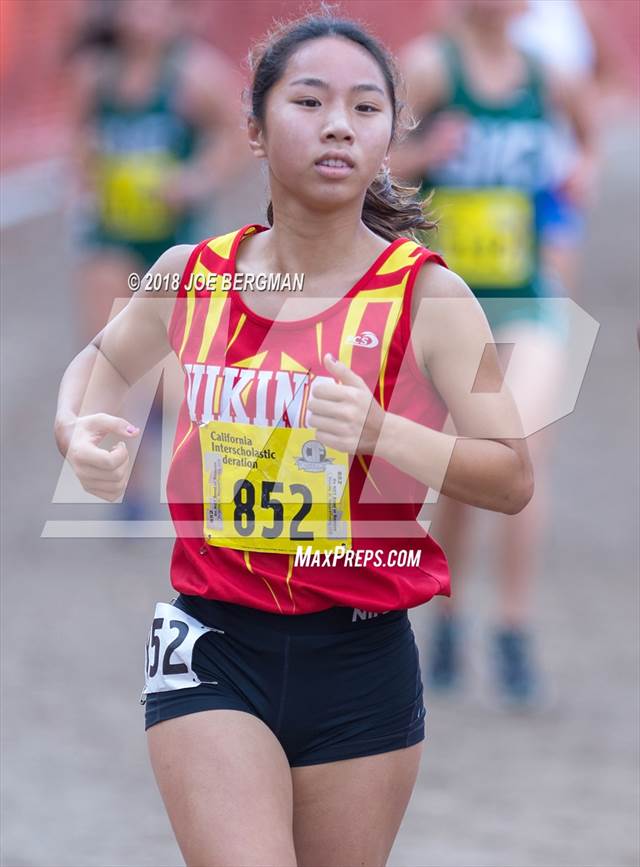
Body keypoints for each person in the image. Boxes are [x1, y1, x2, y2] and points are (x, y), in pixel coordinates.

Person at [54, 11, 533, 866]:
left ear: (390, 137)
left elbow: (510, 476)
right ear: (253, 127)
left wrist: (382, 431)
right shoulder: (189, 276)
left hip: (361, 656)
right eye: (309, 102)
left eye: (365, 108)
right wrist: (74, 426)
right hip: (212, 642)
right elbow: (100, 359)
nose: (339, 125)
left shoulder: (431, 299)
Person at [392, 0, 596, 707]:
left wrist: (572, 194)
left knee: (523, 452)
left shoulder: (547, 75)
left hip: (530, 297)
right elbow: (371, 166)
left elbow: (586, 143)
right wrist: (424, 156)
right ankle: (449, 617)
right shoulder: (430, 68)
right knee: (464, 466)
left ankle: (514, 628)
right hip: (450, 306)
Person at [66, 0, 246, 518]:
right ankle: (131, 486)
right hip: (111, 233)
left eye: (153, 9)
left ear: (175, 16)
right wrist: (85, 188)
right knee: (112, 351)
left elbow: (237, 133)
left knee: (172, 372)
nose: (141, 20)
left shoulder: (194, 74)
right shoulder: (95, 76)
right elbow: (79, 139)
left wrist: (196, 180)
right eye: (133, 9)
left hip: (175, 239)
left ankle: (174, 443)